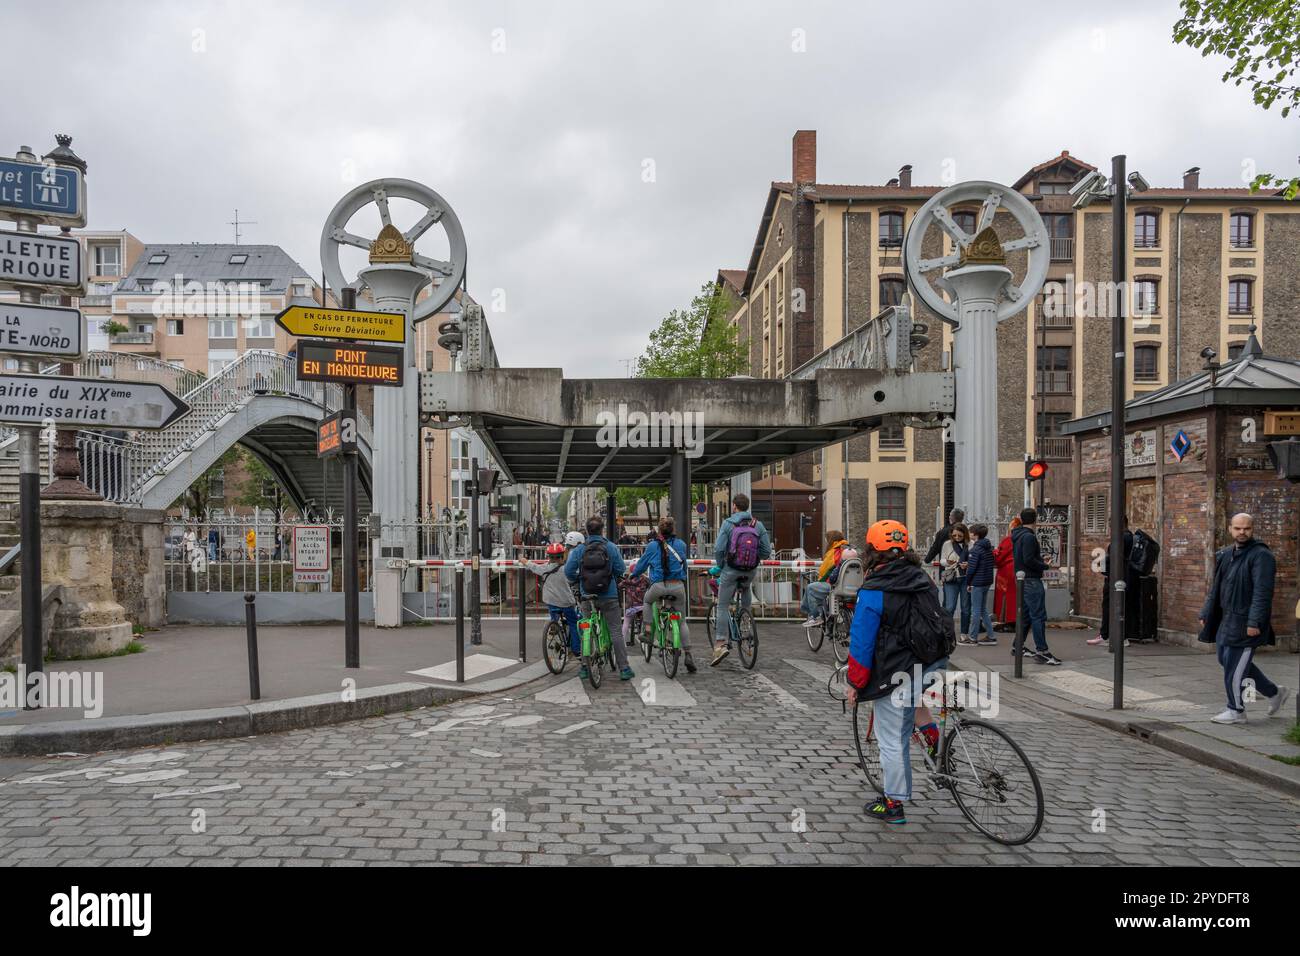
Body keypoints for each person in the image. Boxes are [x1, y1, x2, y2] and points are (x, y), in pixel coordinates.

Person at [844, 520, 948, 826]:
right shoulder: (922, 578)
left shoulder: (874, 589)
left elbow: (861, 644)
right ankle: (941, 757)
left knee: (891, 738)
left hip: (897, 669)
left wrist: (855, 683)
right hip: (933, 660)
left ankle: (893, 803)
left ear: (871, 552)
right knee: (915, 707)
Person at [1199, 513, 1290, 724]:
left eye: (1246, 528)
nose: (1242, 532)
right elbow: (1216, 588)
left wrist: (1254, 622)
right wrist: (1206, 612)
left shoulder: (1261, 556)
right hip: (1226, 620)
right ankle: (1275, 693)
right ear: (1230, 529)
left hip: (1245, 622)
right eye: (1238, 528)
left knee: (1234, 668)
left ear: (1252, 529)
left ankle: (1236, 710)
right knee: (1226, 660)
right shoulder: (1226, 554)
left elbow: (1262, 592)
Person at [564, 516, 634, 681]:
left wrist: (578, 580)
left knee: (586, 628)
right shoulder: (610, 547)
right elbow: (620, 569)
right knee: (616, 631)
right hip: (608, 594)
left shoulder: (580, 550)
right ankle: (624, 668)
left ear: (587, 531)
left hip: (587, 595)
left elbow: (568, 571)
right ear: (602, 530)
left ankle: (584, 667)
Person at [710, 493, 771, 665]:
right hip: (750, 570)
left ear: (734, 506)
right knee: (745, 592)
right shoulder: (757, 525)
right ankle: (746, 624)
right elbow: (766, 551)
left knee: (722, 606)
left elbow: (719, 548)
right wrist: (752, 559)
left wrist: (722, 565)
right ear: (748, 506)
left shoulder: (728, 524)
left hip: (731, 570)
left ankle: (720, 644)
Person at [630, 517, 696, 673]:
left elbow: (641, 565)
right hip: (678, 586)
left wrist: (633, 575)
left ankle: (647, 631)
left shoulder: (652, 546)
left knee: (647, 601)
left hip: (658, 586)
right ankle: (688, 654)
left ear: (659, 531)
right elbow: (684, 565)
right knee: (682, 621)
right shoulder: (681, 545)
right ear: (673, 530)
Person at [1012, 509, 1061, 665]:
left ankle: (1017, 646)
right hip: (1031, 580)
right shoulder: (1029, 537)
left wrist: (1039, 559)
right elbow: (1028, 560)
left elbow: (1025, 557)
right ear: (1036, 519)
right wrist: (1044, 566)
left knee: (1026, 616)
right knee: (1038, 616)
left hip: (1022, 579)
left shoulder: (1017, 535)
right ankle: (1042, 651)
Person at [1088, 516, 1135, 647]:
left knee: (1109, 606)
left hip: (1115, 577)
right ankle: (1121, 637)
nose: (1109, 529)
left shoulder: (1121, 538)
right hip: (1122, 576)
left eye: (1111, 526)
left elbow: (1113, 557)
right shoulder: (1129, 537)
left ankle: (1106, 636)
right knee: (1121, 607)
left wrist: (1099, 562)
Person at [528, 541, 579, 656]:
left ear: (549, 557)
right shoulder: (567, 570)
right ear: (563, 556)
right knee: (573, 623)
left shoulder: (544, 568)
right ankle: (576, 650)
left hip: (551, 602)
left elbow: (533, 566)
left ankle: (554, 627)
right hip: (566, 603)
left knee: (554, 617)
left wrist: (524, 561)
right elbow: (575, 578)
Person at [801, 530, 849, 627]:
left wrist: (821, 580)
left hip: (834, 585)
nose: (826, 542)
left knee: (810, 588)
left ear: (831, 540)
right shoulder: (847, 549)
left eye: (827, 540)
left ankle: (815, 617)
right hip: (847, 584)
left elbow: (829, 569)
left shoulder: (835, 551)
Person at [961, 523, 996, 645]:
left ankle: (972, 637)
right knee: (982, 610)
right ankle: (991, 636)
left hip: (977, 582)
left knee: (975, 610)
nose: (969, 534)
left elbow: (972, 569)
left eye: (971, 532)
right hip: (986, 581)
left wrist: (968, 582)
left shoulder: (975, 550)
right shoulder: (988, 548)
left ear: (975, 535)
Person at [939, 523, 971, 638]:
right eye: (954, 535)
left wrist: (968, 564)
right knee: (950, 607)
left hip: (966, 578)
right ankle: (947, 632)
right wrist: (947, 562)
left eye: (960, 536)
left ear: (965, 534)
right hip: (951, 578)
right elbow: (941, 560)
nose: (957, 538)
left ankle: (964, 633)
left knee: (966, 607)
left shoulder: (970, 544)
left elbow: (975, 560)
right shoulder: (947, 544)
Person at [991, 516, 1020, 631]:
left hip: (1006, 571)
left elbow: (999, 557)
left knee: (1005, 597)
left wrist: (994, 553)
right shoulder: (1026, 538)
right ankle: (1017, 621)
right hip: (1020, 570)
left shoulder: (1008, 540)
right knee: (1017, 597)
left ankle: (1007, 621)